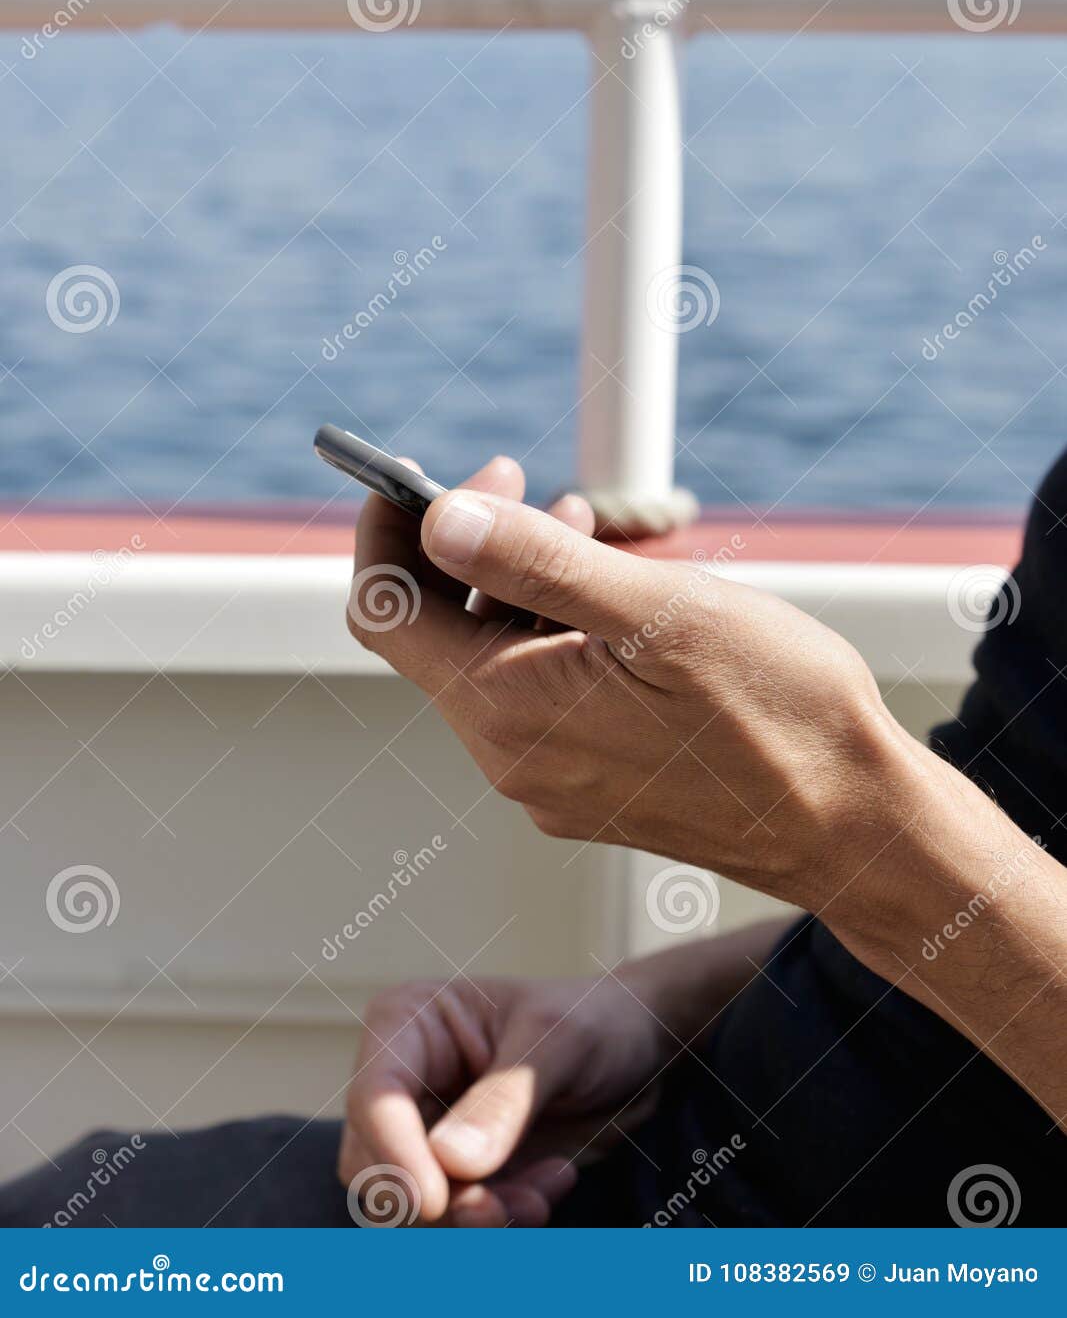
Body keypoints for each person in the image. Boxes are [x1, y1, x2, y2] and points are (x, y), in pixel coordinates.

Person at [2, 455, 1064, 1228]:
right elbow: (1016, 841)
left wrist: (855, 833)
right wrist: (648, 1016)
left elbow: (934, 868)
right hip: (656, 1180)